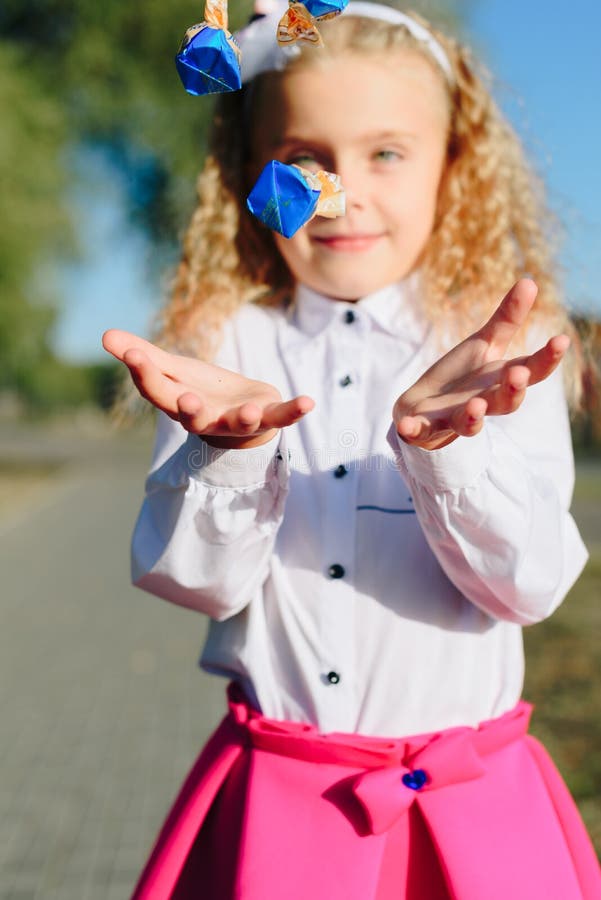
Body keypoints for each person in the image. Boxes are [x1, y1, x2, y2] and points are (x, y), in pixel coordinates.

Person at [103, 4, 601, 898]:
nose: (342, 191)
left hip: (473, 815)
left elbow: (527, 586)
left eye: (385, 152)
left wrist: (448, 455)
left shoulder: (499, 350)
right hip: (278, 812)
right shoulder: (220, 345)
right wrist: (231, 453)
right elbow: (197, 582)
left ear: (453, 167)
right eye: (303, 158)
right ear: (245, 173)